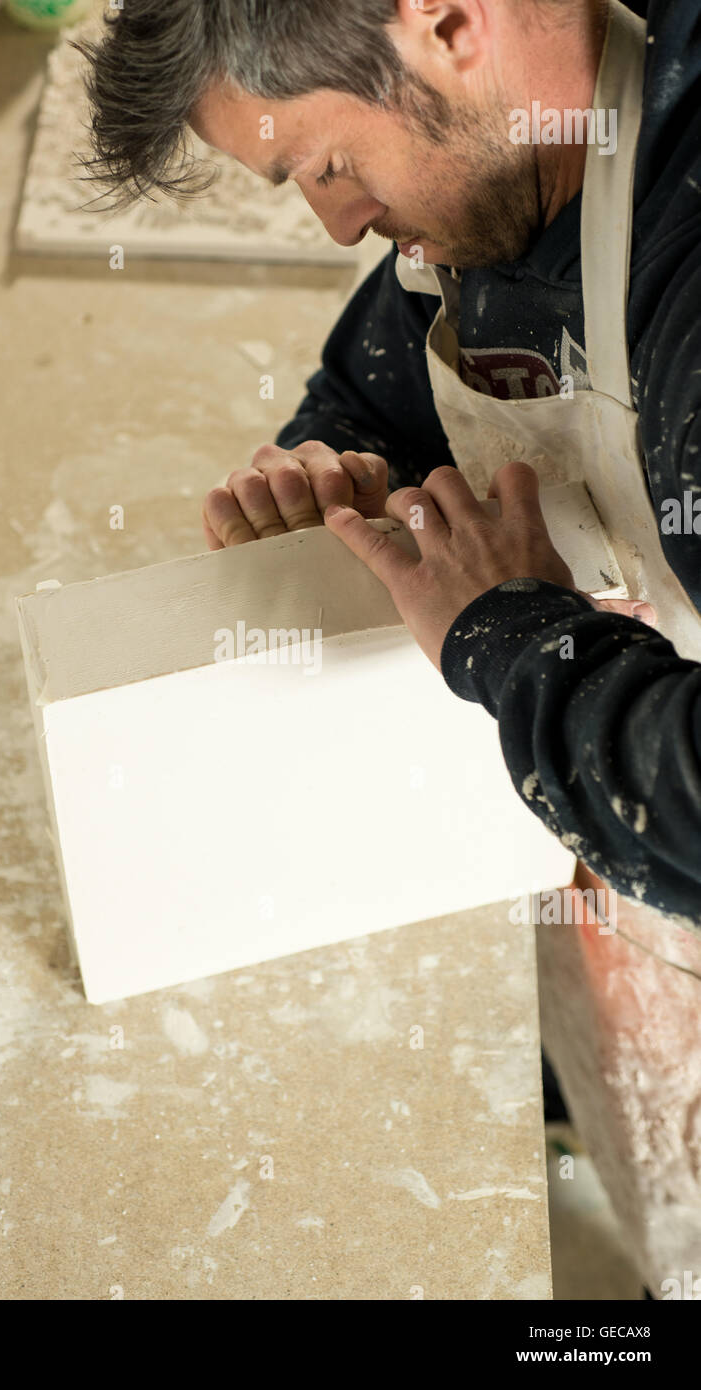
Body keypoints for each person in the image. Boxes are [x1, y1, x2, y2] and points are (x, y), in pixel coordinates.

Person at [78, 0, 701, 1295]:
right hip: (612, 910)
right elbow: (379, 387)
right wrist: (343, 480)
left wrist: (516, 638)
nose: (338, 221)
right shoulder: (504, 172)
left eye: (322, 163)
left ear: (452, 24)